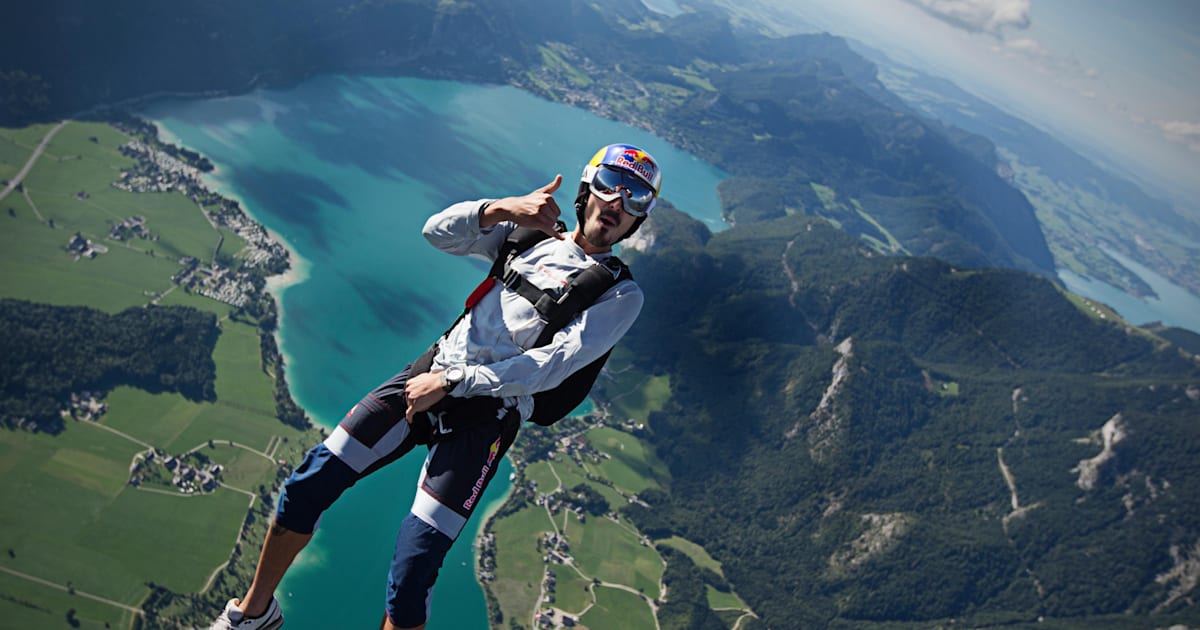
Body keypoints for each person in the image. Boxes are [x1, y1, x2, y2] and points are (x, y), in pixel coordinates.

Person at [210, 143, 662, 630]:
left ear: (639, 218)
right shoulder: (528, 235)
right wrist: (498, 209)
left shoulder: (619, 293)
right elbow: (436, 233)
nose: (616, 201)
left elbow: (551, 366)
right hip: (426, 377)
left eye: (634, 196)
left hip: (480, 416)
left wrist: (453, 381)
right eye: (609, 185)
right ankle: (252, 616)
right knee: (307, 485)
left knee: (411, 574)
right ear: (585, 189)